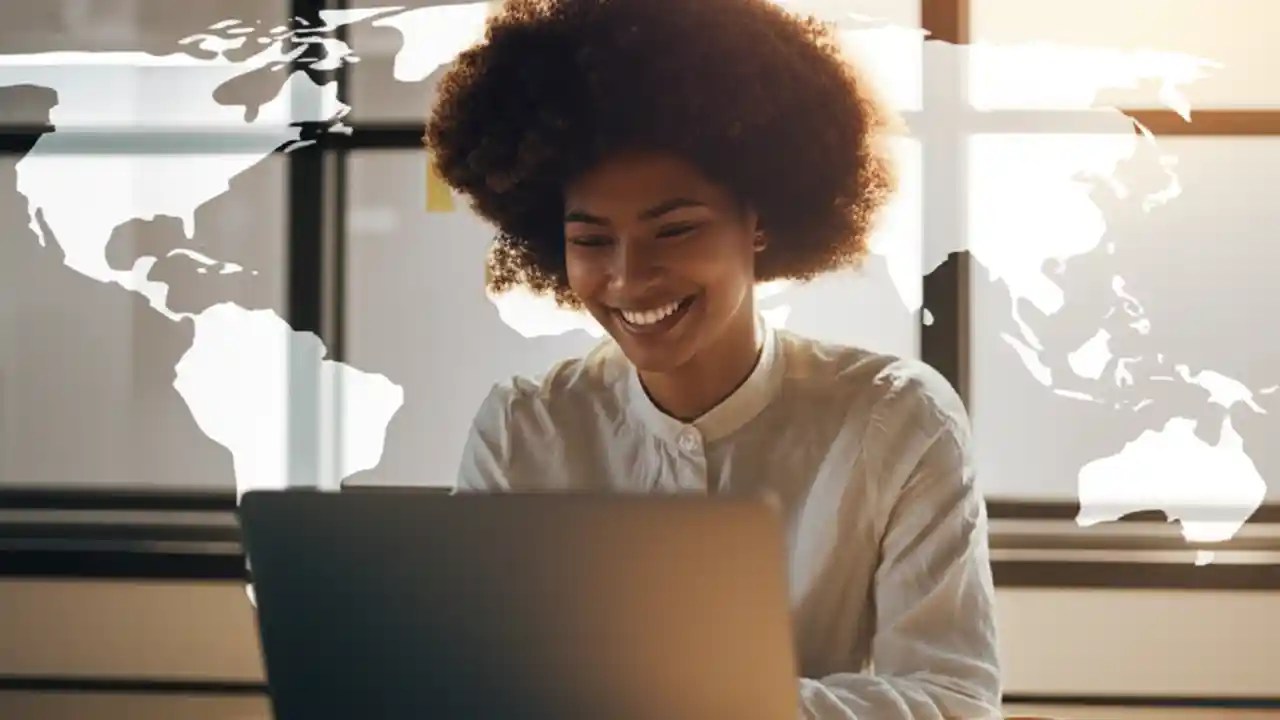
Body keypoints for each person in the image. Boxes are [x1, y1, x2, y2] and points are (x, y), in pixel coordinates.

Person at [427, 0, 1002, 716]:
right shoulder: (523, 429)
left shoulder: (896, 420)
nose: (630, 279)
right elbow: (473, 684)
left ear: (757, 224)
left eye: (674, 231)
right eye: (592, 240)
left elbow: (954, 700)